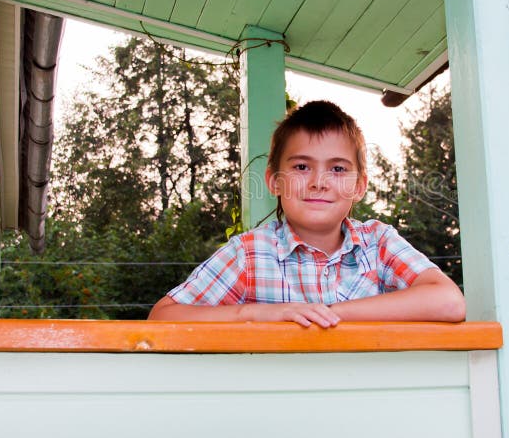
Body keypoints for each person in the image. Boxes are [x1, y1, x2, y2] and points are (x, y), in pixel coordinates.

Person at [148, 100, 465, 326]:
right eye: (302, 166)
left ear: (359, 186)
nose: (318, 183)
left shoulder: (378, 243)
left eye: (338, 168)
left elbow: (449, 302)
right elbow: (163, 316)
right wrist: (261, 313)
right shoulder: (249, 254)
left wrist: (324, 312)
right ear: (274, 181)